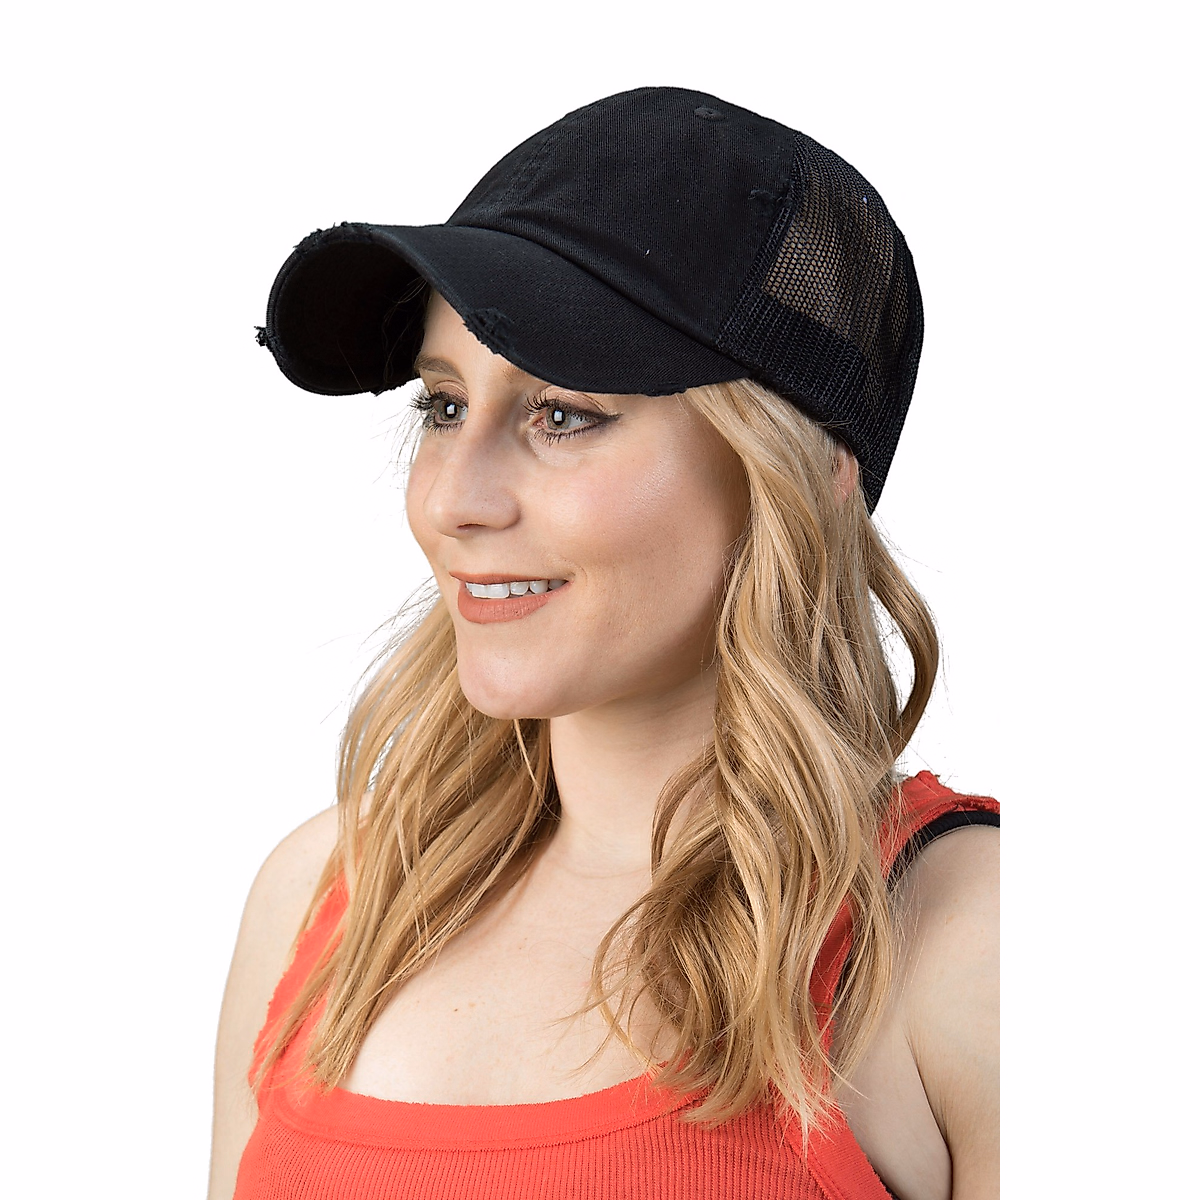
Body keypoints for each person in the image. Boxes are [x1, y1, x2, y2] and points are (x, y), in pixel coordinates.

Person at [210, 87, 999, 1200]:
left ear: (799, 477)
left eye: (562, 414)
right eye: (443, 406)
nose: (454, 501)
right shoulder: (327, 893)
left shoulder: (964, 942)